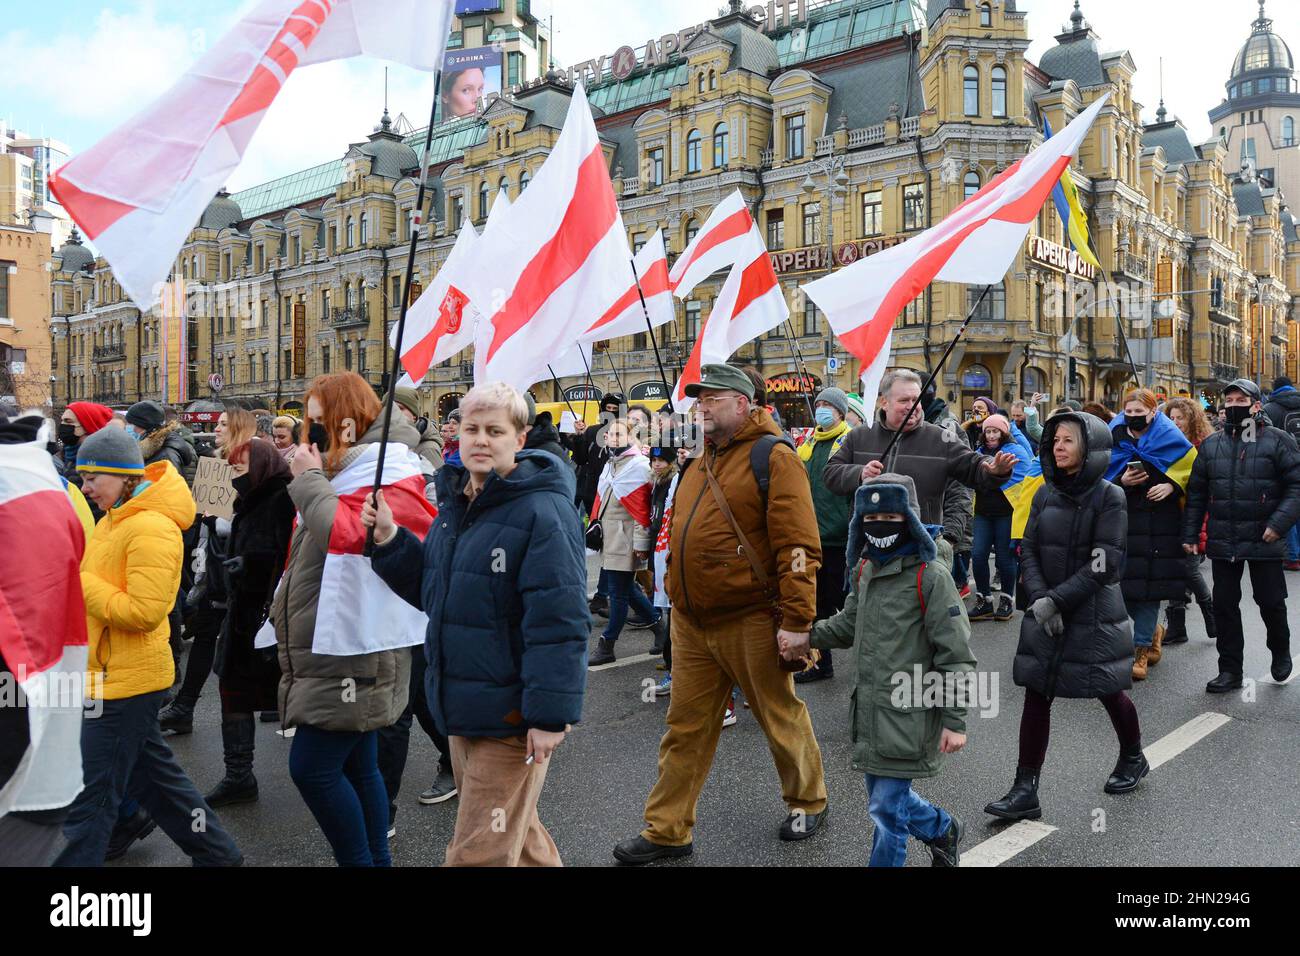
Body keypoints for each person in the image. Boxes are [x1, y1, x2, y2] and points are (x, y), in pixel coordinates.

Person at [612, 364, 828, 865]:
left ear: (744, 403)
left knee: (779, 716)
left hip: (750, 616)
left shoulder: (773, 456)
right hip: (692, 620)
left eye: (713, 397)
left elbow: (798, 546)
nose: (702, 406)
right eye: (699, 399)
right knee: (684, 727)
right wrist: (670, 587)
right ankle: (667, 830)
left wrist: (798, 622)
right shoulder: (697, 458)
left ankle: (807, 800)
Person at [366, 381, 589, 866]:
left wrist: (550, 714)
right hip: (462, 707)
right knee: (519, 837)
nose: (481, 440)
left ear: (520, 439)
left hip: (510, 716)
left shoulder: (542, 510)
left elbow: (560, 617)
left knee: (476, 854)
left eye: (495, 430)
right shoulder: (457, 503)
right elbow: (436, 592)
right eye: (472, 429)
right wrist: (388, 539)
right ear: (457, 435)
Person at [53, 427, 243, 866]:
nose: (84, 488)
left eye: (91, 477)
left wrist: (79, 583)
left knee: (90, 802)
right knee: (160, 787)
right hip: (112, 675)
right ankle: (220, 856)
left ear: (122, 476)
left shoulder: (150, 526)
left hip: (124, 685)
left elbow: (143, 611)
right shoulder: (119, 518)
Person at [271, 373, 427, 866]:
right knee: (360, 765)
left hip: (360, 649)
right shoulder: (348, 471)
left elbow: (347, 535)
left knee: (313, 769)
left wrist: (308, 480)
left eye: (317, 424)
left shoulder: (392, 471)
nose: (309, 437)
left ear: (346, 424)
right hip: (339, 649)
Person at [799, 474, 974, 866]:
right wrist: (806, 636)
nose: (879, 524)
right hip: (871, 714)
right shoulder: (866, 568)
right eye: (871, 515)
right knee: (887, 801)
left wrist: (955, 720)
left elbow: (956, 654)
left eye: (891, 516)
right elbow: (848, 624)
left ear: (909, 517)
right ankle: (942, 828)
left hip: (910, 715)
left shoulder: (930, 576)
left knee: (885, 813)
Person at [985, 412, 1147, 823]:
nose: (1058, 446)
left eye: (1068, 440)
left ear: (1089, 447)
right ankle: (1025, 789)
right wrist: (1040, 599)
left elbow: (1104, 562)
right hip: (1046, 610)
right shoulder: (1043, 493)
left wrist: (1057, 601)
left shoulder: (1110, 496)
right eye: (1055, 439)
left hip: (1092, 611)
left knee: (1107, 689)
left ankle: (1133, 756)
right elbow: (1030, 549)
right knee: (1038, 692)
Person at [0, 412, 89, 866]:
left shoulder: (18, 490)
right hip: (45, 750)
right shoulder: (39, 481)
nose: (90, 484)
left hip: (23, 767)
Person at [1182, 379, 1300, 691]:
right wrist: (1191, 533)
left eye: (1241, 399)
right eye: (1230, 400)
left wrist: (1278, 524)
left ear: (1257, 405)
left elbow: (1296, 486)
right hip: (1224, 538)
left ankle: (1280, 651)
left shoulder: (1279, 440)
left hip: (1265, 537)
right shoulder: (1211, 444)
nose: (1234, 405)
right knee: (1225, 605)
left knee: (1271, 602)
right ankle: (1230, 670)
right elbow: (1196, 493)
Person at [203, 438, 295, 807]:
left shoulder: (283, 497)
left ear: (260, 466)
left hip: (273, 618)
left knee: (302, 701)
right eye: (232, 468)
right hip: (243, 616)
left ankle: (346, 777)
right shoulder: (250, 497)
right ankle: (239, 776)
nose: (234, 475)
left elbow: (289, 554)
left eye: (241, 468)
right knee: (233, 690)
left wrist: (252, 565)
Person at [823, 370, 1017, 539]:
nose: (912, 406)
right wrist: (859, 473)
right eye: (904, 400)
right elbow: (830, 474)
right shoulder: (859, 436)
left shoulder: (941, 438)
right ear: (884, 402)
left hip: (921, 546)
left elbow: (973, 465)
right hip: (867, 547)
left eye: (916, 399)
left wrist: (994, 469)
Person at [158, 405, 256, 734]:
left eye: (224, 424)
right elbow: (202, 517)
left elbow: (242, 520)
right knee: (204, 632)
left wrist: (216, 519)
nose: (216, 428)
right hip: (211, 563)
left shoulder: (252, 464)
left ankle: (193, 707)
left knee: (231, 641)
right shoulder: (213, 463)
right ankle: (184, 706)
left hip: (238, 566)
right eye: (217, 423)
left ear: (240, 428)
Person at [1107, 390, 1195, 680]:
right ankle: (1153, 631)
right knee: (1120, 586)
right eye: (1128, 411)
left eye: (1139, 412)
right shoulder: (1113, 434)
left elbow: (1191, 469)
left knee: (1149, 589)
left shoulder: (1169, 435)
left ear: (1153, 413)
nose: (1133, 417)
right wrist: (1121, 480)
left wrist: (1172, 485)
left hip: (1161, 522)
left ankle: (1140, 650)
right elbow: (1097, 472)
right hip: (1123, 520)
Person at [589, 420, 660, 666]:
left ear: (631, 436)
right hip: (610, 539)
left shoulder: (639, 466)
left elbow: (642, 511)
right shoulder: (611, 464)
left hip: (627, 539)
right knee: (627, 591)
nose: (613, 438)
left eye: (619, 434)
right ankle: (661, 631)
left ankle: (607, 644)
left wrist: (641, 545)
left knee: (618, 594)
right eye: (609, 434)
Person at [794, 387, 853, 684]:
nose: (821, 409)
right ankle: (821, 663)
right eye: (818, 404)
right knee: (817, 605)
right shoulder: (808, 441)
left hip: (841, 539)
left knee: (846, 601)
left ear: (840, 412)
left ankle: (873, 658)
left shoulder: (849, 440)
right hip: (811, 537)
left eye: (828, 404)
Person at [1161, 398, 1216, 643]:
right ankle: (1177, 627)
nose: (1175, 423)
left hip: (1196, 515)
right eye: (1171, 418)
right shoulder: (1166, 445)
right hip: (1171, 515)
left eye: (1180, 418)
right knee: (1175, 570)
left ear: (1191, 419)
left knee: (1189, 569)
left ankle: (1211, 613)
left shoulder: (1204, 446)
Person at [969, 414, 1031, 623]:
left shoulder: (1016, 451)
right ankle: (984, 600)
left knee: (1005, 559)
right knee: (977, 556)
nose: (991, 435)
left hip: (1007, 513)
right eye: (988, 431)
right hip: (982, 512)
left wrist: (993, 476)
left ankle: (1006, 599)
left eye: (996, 431)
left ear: (1004, 432)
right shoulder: (977, 453)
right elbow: (971, 477)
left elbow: (1023, 478)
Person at [922, 383, 975, 598]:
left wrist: (952, 533)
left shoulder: (945, 425)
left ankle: (960, 583)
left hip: (946, 511)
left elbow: (960, 479)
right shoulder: (920, 422)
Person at [647, 446, 679, 691]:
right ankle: (672, 671)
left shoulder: (678, 479)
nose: (657, 464)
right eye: (654, 460)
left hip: (680, 555)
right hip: (664, 550)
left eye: (662, 460)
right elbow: (658, 518)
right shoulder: (661, 482)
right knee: (672, 618)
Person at [1262, 376, 1300, 569]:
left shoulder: (1270, 408)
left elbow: (1260, 436)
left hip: (1282, 464)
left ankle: (1293, 556)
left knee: (1287, 507)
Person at [393, 387, 444, 472]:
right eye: (389, 408)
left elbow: (440, 482)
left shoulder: (427, 448)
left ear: (414, 415)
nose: (394, 411)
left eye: (401, 408)